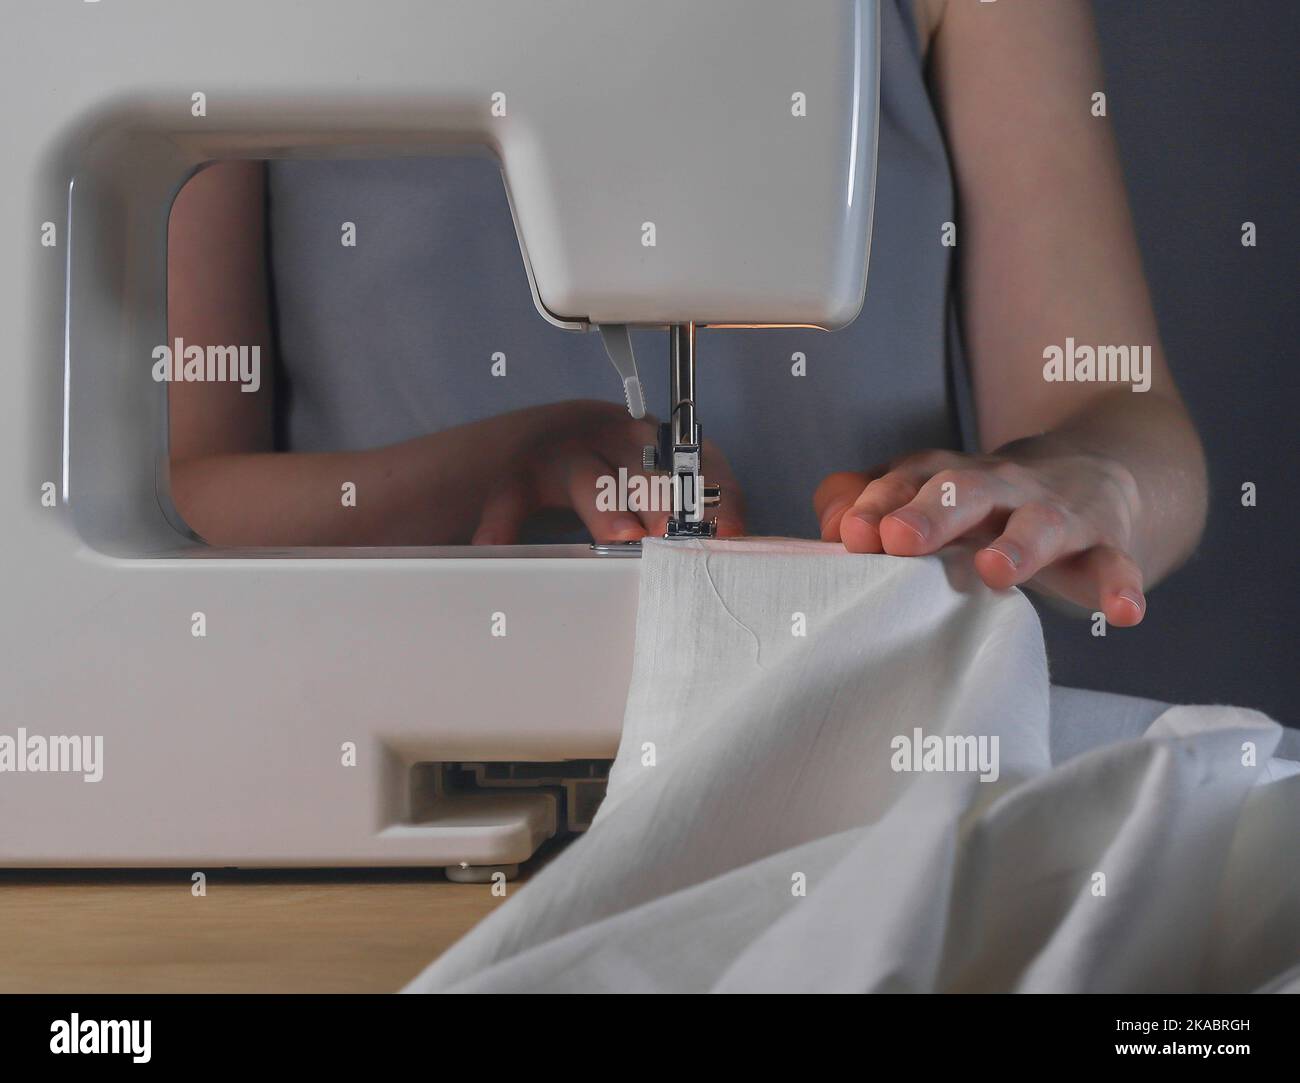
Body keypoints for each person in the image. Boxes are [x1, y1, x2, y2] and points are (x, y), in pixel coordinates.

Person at [167, 0, 1206, 630]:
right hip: (350, 738)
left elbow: (1117, 404)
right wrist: (498, 464)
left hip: (851, 767)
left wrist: (1085, 482)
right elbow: (163, 498)